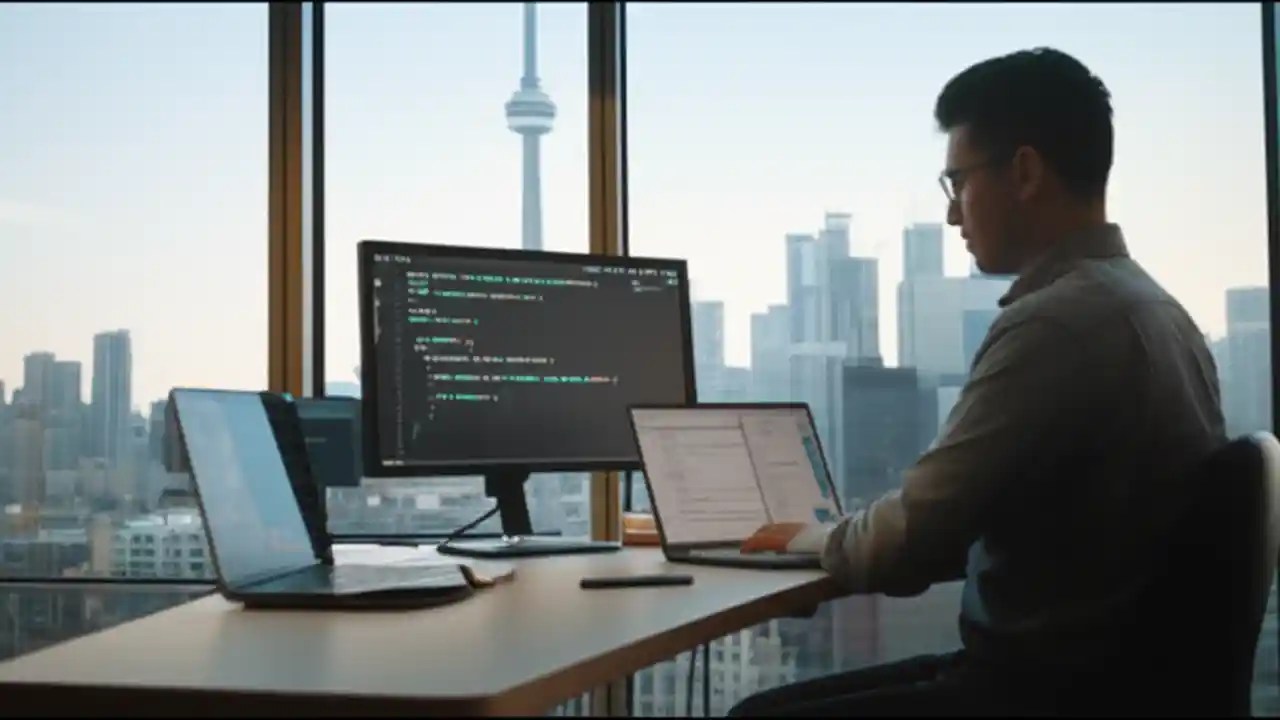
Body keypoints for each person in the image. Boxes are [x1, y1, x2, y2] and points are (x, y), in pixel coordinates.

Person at [731, 47, 1227, 716]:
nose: (952, 215)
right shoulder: (1159, 310)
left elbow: (913, 541)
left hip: (1039, 692)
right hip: (1113, 681)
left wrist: (809, 536)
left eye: (956, 182)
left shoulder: (1056, 326)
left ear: (1024, 171)